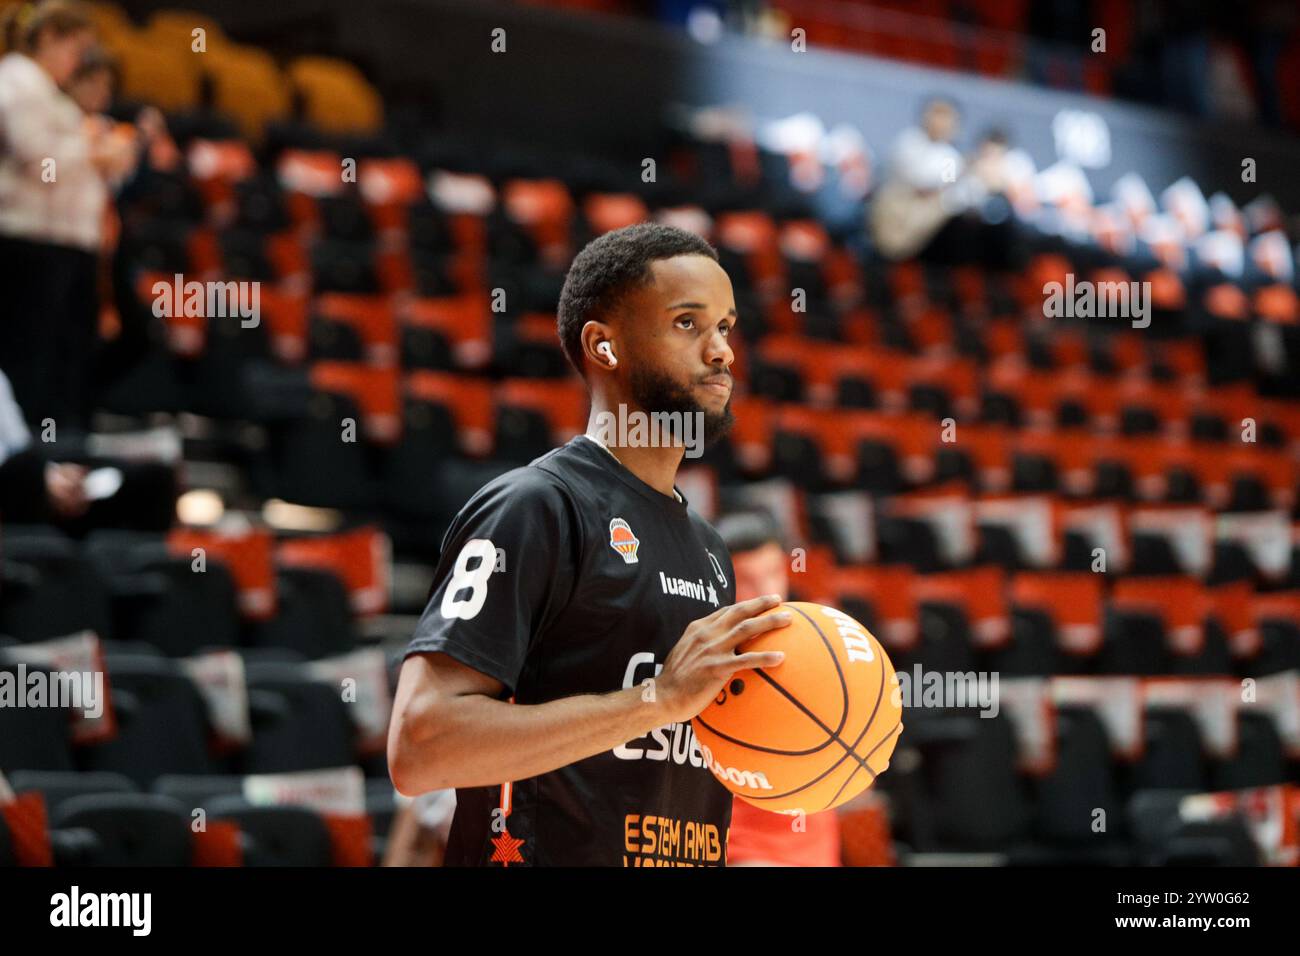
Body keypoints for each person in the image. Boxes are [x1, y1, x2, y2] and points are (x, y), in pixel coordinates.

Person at [388, 222, 791, 866]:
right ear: (604, 346)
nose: (722, 352)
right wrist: (657, 698)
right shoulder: (534, 507)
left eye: (726, 327)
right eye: (688, 323)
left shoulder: (712, 550)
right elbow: (420, 747)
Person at [0, 0, 131, 432]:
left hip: (62, 241)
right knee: (28, 355)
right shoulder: (17, 80)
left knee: (57, 356)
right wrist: (95, 151)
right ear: (49, 38)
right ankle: (24, 460)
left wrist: (108, 156)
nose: (77, 62)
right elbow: (40, 162)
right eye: (74, 48)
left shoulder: (47, 91)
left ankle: (49, 455)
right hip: (28, 240)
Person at [714, 509, 843, 867]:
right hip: (742, 849)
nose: (767, 593)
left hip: (816, 849)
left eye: (773, 574)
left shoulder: (824, 648)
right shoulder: (705, 659)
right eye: (748, 579)